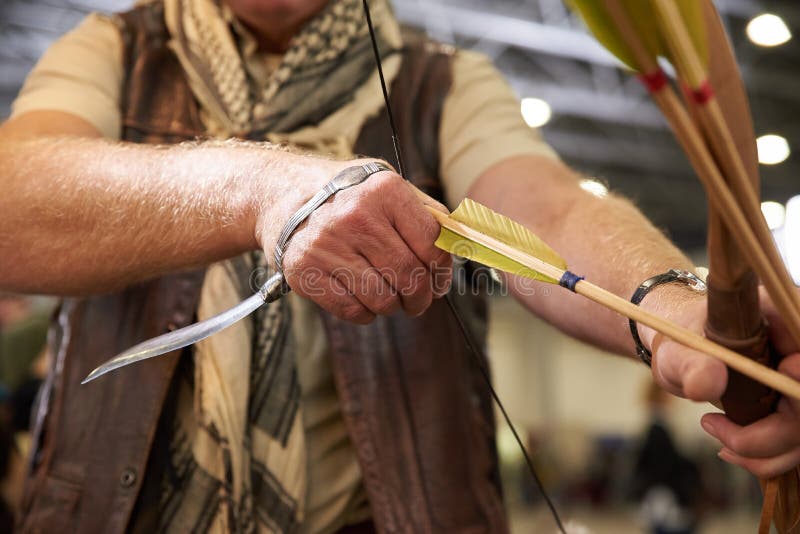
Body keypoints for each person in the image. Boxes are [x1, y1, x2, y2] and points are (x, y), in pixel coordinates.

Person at [0, 0, 798, 532]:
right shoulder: (113, 49)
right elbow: (14, 203)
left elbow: (544, 208)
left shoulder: (440, 82)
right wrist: (260, 189)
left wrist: (677, 309)